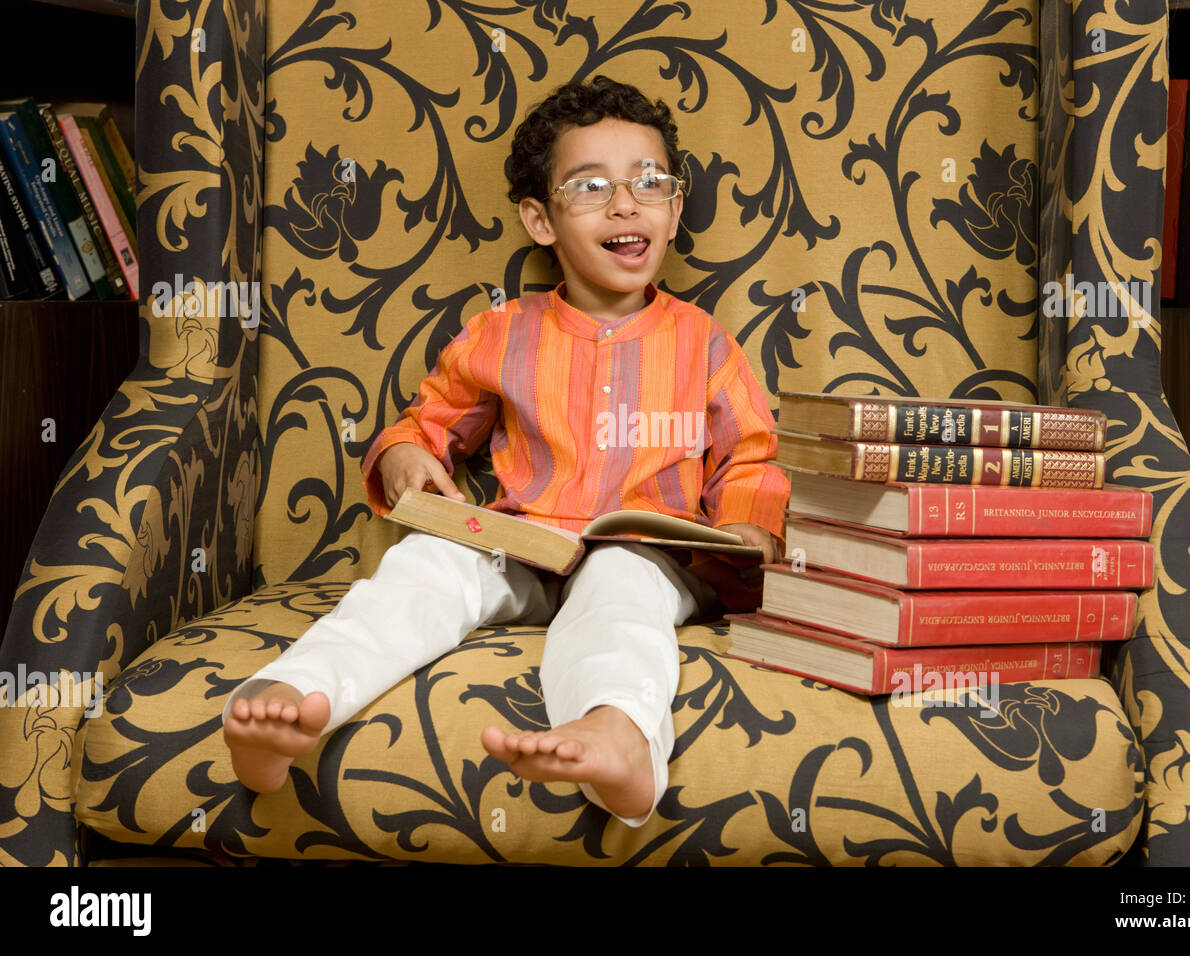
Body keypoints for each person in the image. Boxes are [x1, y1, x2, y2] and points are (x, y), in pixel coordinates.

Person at [221, 75, 789, 827]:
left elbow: (748, 460)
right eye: (591, 186)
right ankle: (294, 702)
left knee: (618, 585)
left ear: (675, 208)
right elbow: (428, 420)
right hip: (526, 545)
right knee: (426, 563)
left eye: (649, 182)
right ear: (540, 219)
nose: (626, 203)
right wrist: (403, 457)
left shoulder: (706, 343)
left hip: (650, 556)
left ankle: (618, 737)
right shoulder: (502, 333)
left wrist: (752, 529)